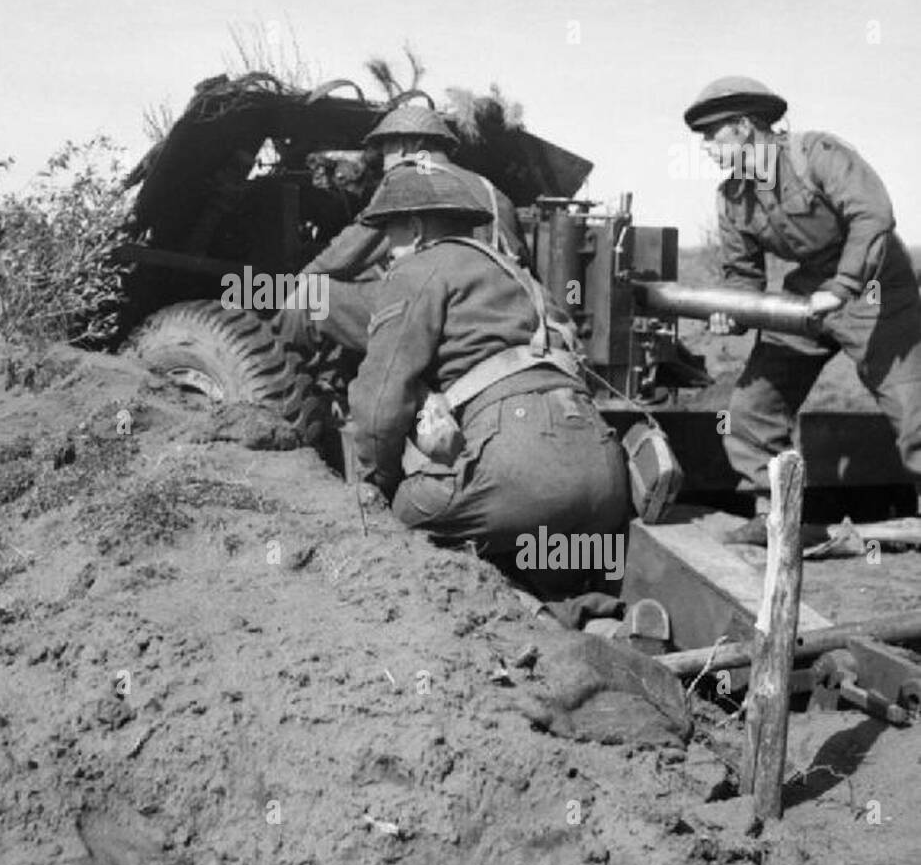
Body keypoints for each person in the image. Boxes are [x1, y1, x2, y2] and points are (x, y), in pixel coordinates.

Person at [348, 160, 629, 595]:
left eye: (390, 233)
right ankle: (581, 611)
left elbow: (379, 406)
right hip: (604, 477)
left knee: (401, 517)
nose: (386, 248)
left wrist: (375, 485)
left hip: (517, 473)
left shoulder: (417, 271)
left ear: (417, 228)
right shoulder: (521, 275)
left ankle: (517, 613)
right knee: (533, 535)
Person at [684, 76, 921, 543]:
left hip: (876, 288)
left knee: (913, 411)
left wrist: (844, 286)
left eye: (714, 135)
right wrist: (732, 312)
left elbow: (872, 215)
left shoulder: (816, 155)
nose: (707, 147)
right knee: (753, 408)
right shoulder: (732, 198)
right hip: (810, 294)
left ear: (745, 127)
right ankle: (774, 518)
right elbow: (743, 278)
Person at [279, 95, 528, 353]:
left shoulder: (406, 179)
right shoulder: (492, 190)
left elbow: (347, 253)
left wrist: (300, 281)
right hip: (496, 311)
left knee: (312, 297)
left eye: (384, 148)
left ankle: (273, 375)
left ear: (406, 145)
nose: (382, 158)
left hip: (436, 311)